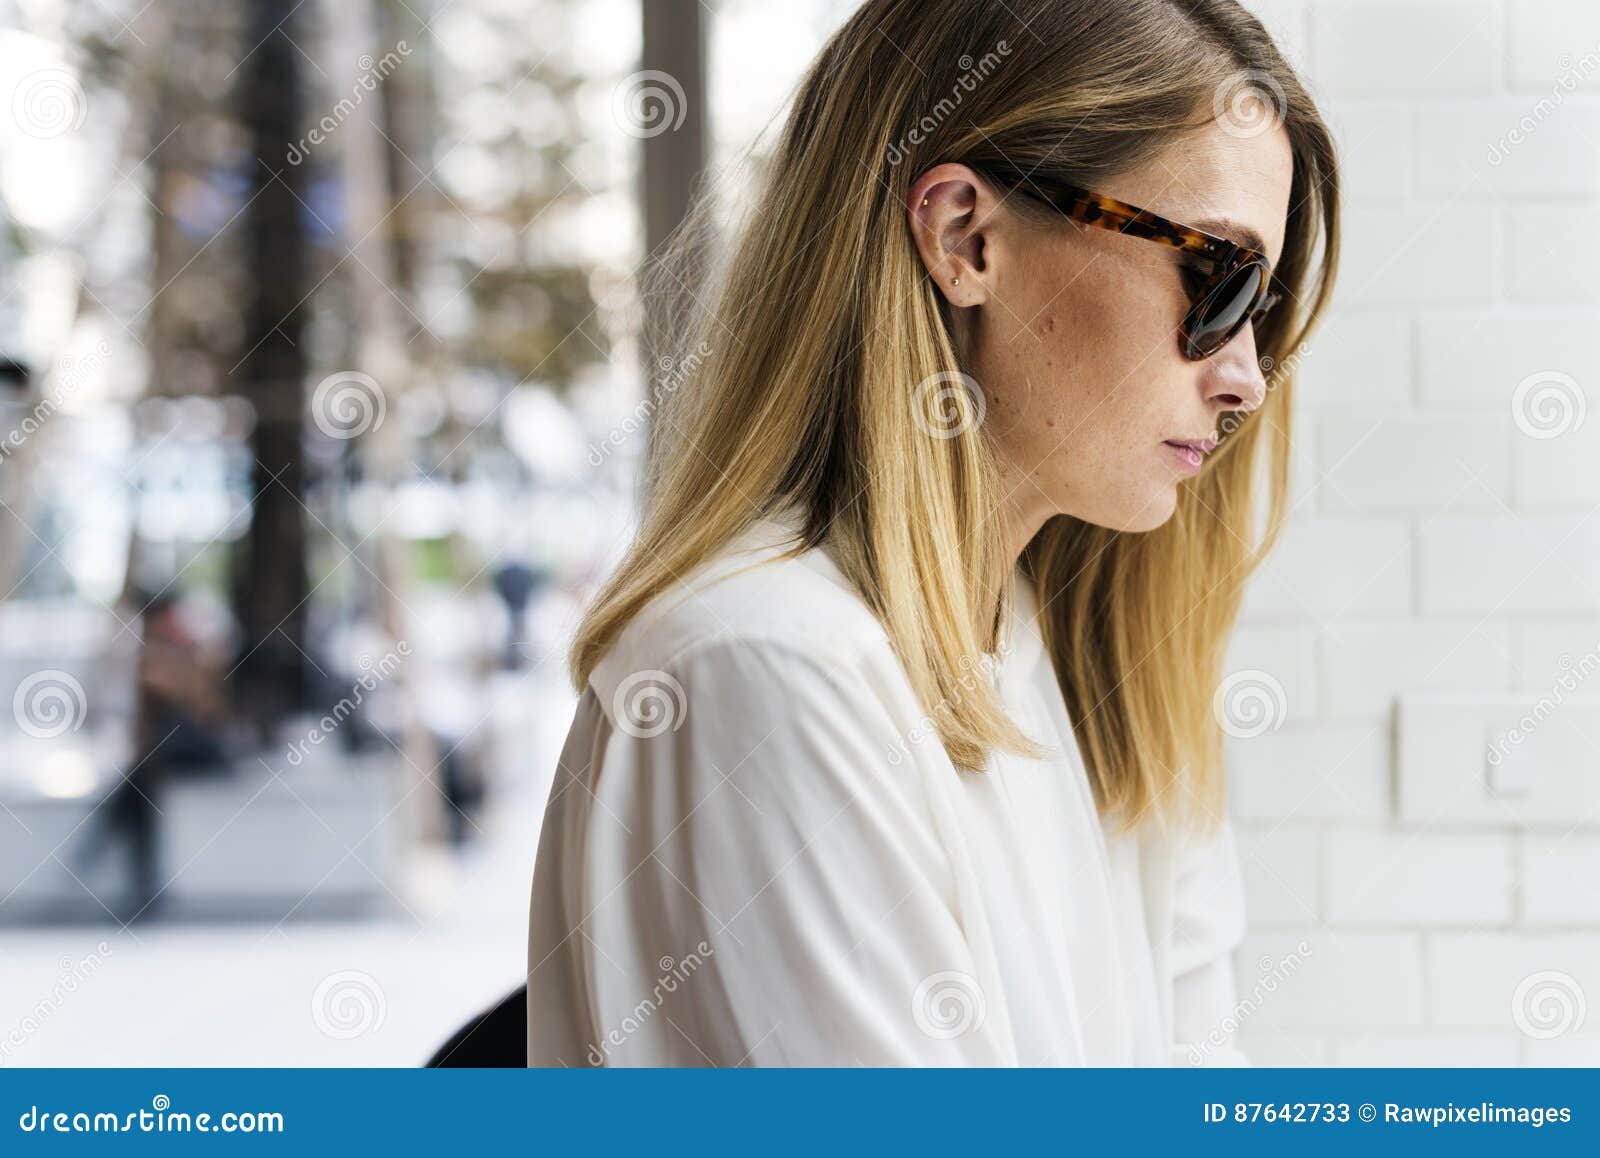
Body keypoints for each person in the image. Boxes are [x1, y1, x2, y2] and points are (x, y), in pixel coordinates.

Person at [526, 0, 1339, 1066]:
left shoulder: (1080, 669)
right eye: (1217, 275)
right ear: (963, 236)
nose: (1241, 379)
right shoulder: (766, 670)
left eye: (1261, 307)